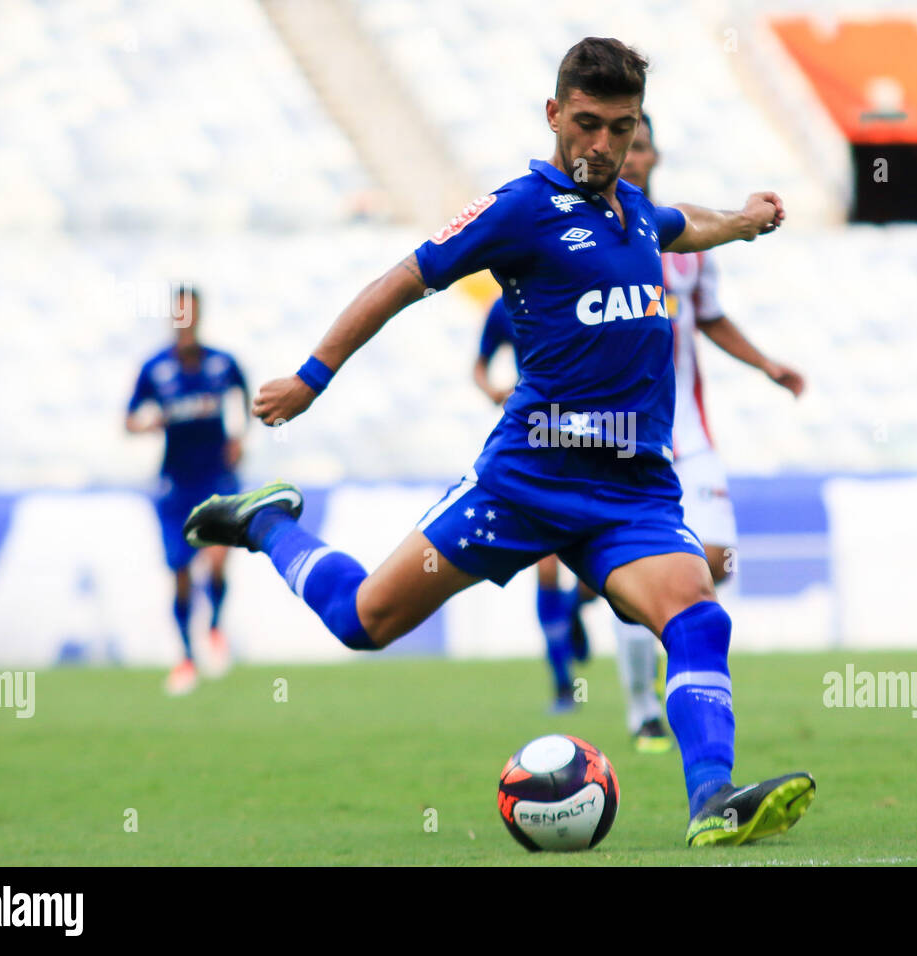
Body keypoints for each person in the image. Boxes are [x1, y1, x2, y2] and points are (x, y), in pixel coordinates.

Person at [185, 38, 815, 847]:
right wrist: (313, 375)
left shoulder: (631, 214)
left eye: (619, 130)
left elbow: (684, 223)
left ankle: (712, 801)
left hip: (630, 493)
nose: (601, 146)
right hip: (522, 485)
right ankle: (270, 521)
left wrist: (746, 220)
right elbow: (402, 280)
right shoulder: (518, 208)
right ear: (554, 114)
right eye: (586, 125)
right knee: (361, 621)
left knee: (697, 615)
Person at [610, 113, 804, 752]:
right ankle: (644, 706)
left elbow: (711, 320)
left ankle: (667, 662)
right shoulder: (591, 242)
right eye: (622, 144)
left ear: (655, 155)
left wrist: (768, 363)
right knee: (649, 572)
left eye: (639, 145)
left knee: (712, 559)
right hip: (623, 440)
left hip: (688, 432)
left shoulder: (684, 243)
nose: (631, 156)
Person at [473, 296, 597, 712]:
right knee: (546, 566)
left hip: (589, 432)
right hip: (537, 436)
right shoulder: (502, 308)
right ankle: (562, 683)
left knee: (595, 561)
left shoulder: (575, 288)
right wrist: (493, 389)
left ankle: (575, 605)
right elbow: (479, 364)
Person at [127, 285, 248, 695]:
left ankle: (214, 627)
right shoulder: (155, 368)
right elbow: (128, 419)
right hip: (175, 483)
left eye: (191, 312)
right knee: (180, 575)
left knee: (215, 562)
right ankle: (186, 657)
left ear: (199, 315)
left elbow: (244, 398)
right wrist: (149, 423)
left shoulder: (222, 363)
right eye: (179, 313)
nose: (185, 320)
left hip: (216, 479)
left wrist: (239, 438)